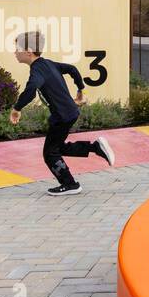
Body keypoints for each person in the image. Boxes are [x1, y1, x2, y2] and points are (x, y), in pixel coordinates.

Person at [10, 31, 114, 196]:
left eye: (17, 48)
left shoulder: (37, 70)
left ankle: (70, 184)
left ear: (28, 51)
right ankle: (95, 147)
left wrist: (17, 109)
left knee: (50, 153)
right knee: (58, 148)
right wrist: (80, 88)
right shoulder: (48, 64)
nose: (14, 52)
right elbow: (72, 69)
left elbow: (30, 90)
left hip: (62, 117)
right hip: (68, 113)